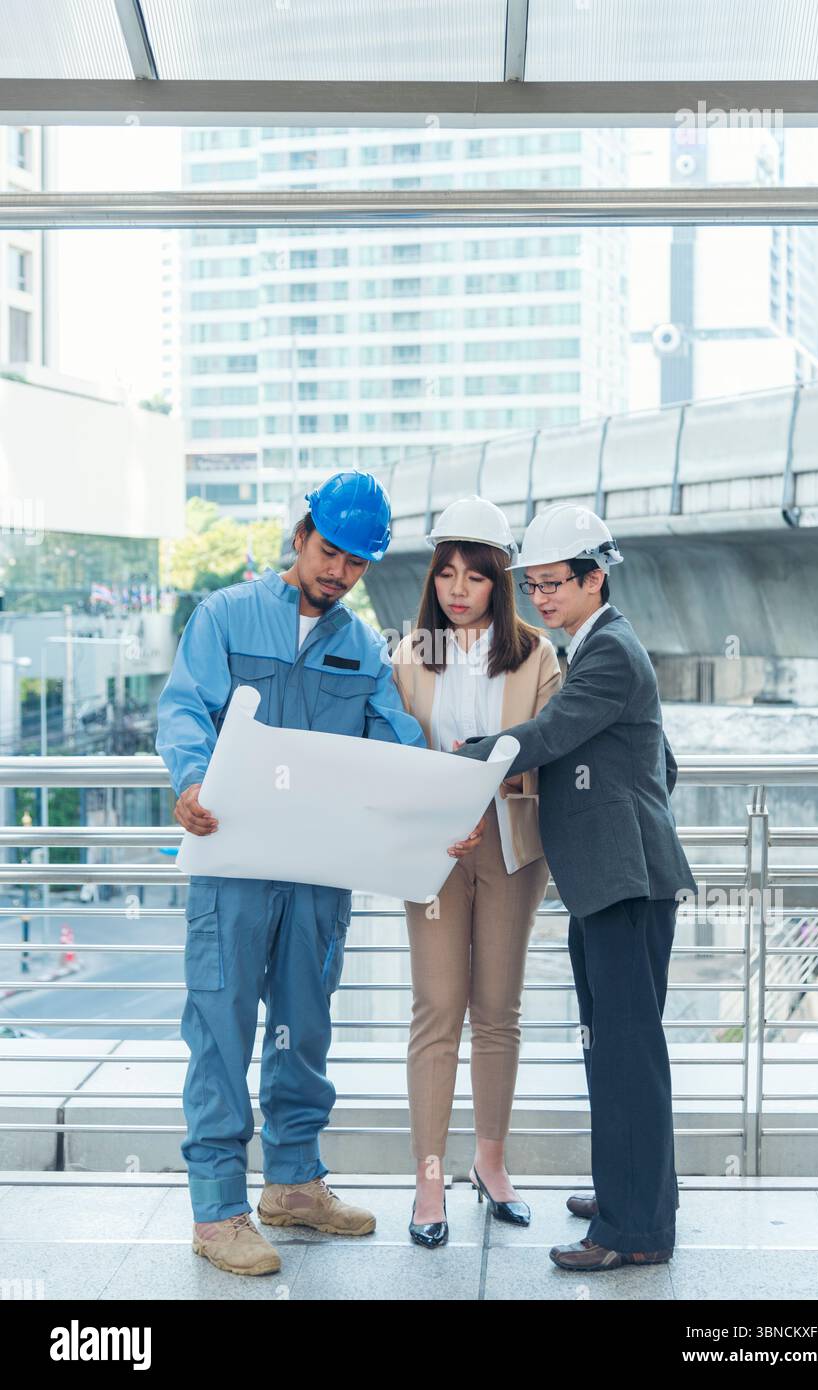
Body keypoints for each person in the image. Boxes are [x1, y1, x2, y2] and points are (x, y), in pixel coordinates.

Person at [155, 469, 437, 1277]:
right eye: (330, 552)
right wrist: (188, 780)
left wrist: (444, 809)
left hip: (318, 872)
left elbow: (397, 742)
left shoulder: (360, 648)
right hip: (234, 862)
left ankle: (292, 1183)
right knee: (220, 1030)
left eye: (355, 564)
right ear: (300, 534)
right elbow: (182, 711)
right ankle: (217, 1212)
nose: (339, 573)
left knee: (303, 1027)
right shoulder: (225, 615)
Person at [452, 503, 698, 1273]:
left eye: (554, 583)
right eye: (531, 585)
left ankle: (633, 1232)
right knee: (614, 1051)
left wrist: (475, 754)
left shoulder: (608, 653)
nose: (539, 598)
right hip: (608, 880)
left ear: (595, 577)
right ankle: (631, 1191)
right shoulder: (600, 646)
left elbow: (552, 736)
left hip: (622, 883)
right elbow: (662, 764)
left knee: (625, 1056)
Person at [391, 497, 561, 1247]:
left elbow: (552, 750)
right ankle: (429, 1177)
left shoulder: (536, 655)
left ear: (500, 581)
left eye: (476, 576)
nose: (459, 590)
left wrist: (490, 787)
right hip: (431, 848)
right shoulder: (406, 655)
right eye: (447, 575)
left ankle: (490, 1165)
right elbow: (390, 758)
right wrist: (435, 805)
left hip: (508, 844)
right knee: (437, 1008)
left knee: (498, 1007)